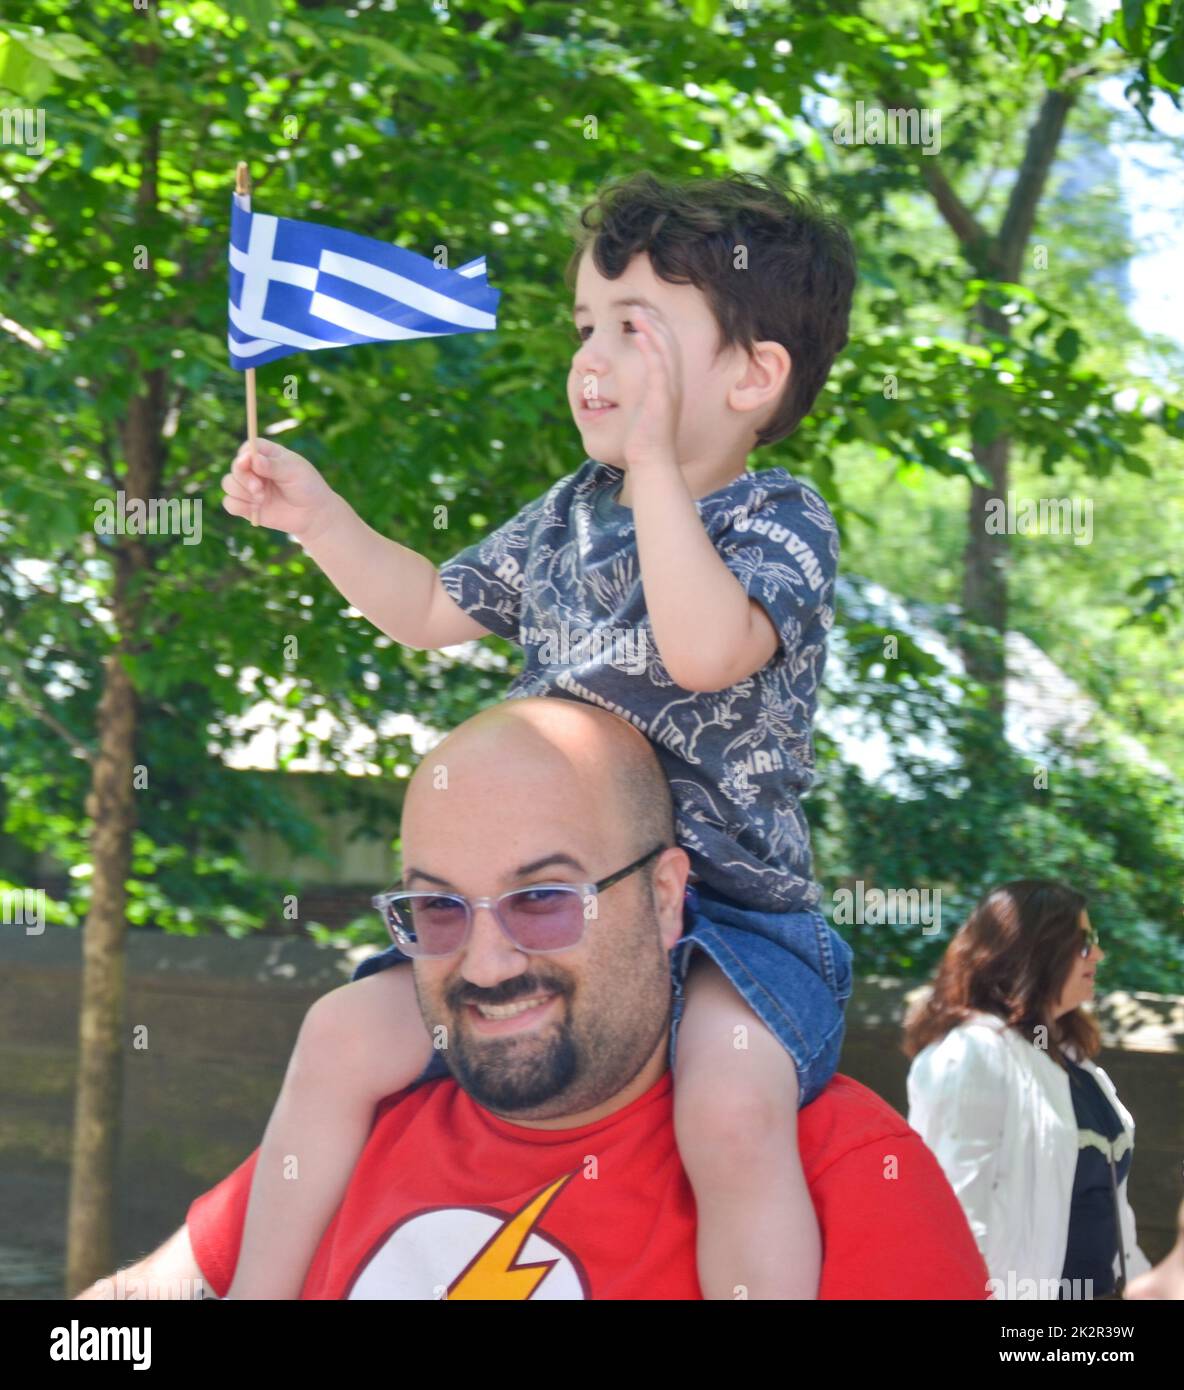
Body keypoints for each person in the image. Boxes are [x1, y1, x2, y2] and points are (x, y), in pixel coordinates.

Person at [218, 170, 858, 1299]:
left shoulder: (778, 519)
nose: (590, 357)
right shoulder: (567, 511)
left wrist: (657, 466)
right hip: (532, 907)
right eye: (582, 326)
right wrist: (321, 520)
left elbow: (705, 648)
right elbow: (425, 609)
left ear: (754, 374)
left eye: (633, 329)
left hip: (727, 921)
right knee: (337, 1034)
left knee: (730, 1096)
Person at [79, 699, 990, 1301]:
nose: (484, 964)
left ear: (668, 898)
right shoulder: (349, 1126)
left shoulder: (841, 1172)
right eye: (438, 907)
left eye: (545, 900)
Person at [904, 880, 1152, 1300]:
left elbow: (1113, 1218)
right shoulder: (972, 1054)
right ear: (1038, 951)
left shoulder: (1078, 1068)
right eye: (1084, 941)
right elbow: (953, 1221)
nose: (1099, 953)